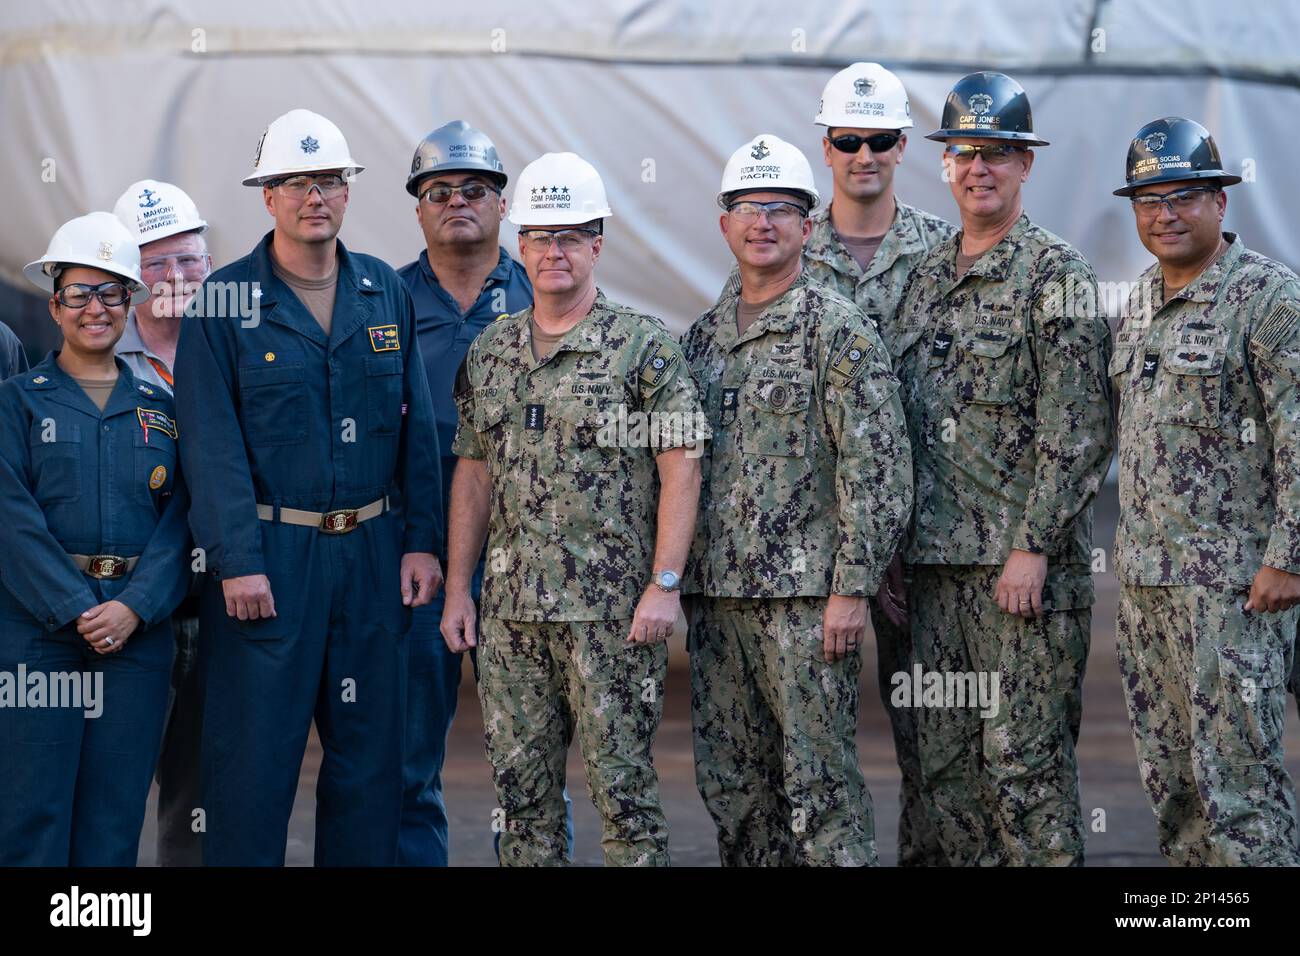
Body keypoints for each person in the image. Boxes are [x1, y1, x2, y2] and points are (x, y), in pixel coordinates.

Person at [174, 108, 443, 866]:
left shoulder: (382, 291)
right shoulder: (223, 303)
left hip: (371, 556)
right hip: (272, 563)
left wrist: (421, 541)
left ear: (349, 191)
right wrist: (236, 559)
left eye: (328, 180)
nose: (313, 196)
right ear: (267, 196)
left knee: (369, 767)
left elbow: (415, 429)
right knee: (252, 771)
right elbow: (210, 443)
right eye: (296, 182)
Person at [441, 152, 707, 866]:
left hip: (610, 615)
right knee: (521, 799)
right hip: (511, 616)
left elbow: (681, 464)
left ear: (597, 244)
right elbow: (472, 472)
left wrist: (665, 583)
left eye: (570, 236)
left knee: (623, 796)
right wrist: (458, 588)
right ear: (519, 245)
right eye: (539, 236)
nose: (553, 251)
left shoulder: (643, 346)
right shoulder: (492, 351)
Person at [892, 72, 1113, 865]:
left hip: (1019, 580)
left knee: (1026, 771)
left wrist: (1034, 544)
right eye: (964, 152)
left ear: (1026, 165)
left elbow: (1080, 426)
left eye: (998, 152)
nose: (979, 167)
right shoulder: (920, 278)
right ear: (946, 165)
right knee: (941, 776)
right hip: (931, 577)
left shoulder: (1058, 277)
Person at [682, 134, 913, 866]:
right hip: (719, 604)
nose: (763, 223)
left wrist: (852, 589)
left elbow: (878, 470)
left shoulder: (838, 332)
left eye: (781, 209)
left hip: (808, 607)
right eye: (747, 208)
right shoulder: (700, 342)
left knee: (821, 791)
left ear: (808, 228)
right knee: (736, 790)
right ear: (723, 224)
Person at [1110, 117, 1300, 866]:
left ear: (1221, 202)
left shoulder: (1270, 300)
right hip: (1149, 591)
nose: (1165, 213)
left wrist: (1290, 555)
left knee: (1240, 788)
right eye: (1149, 199)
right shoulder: (1136, 305)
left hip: (1236, 593)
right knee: (1177, 791)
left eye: (1184, 195)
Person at [396, 121, 571, 865]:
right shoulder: (384, 299)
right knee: (407, 760)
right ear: (419, 210)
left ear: (505, 207)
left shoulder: (549, 290)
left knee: (531, 764)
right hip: (419, 557)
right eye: (439, 191)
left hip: (527, 558)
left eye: (476, 189)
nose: (457, 202)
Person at [0, 212, 190, 865]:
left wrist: (135, 606)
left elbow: (183, 522)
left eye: (112, 293)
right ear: (54, 305)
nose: (95, 308)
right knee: (33, 815)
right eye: (79, 293)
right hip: (38, 633)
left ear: (131, 302)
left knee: (113, 821)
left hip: (136, 640)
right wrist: (76, 606)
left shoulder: (164, 408)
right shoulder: (18, 404)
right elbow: (9, 517)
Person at [809, 61, 955, 866]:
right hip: (805, 551)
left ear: (905, 146)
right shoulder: (785, 250)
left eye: (882, 140)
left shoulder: (947, 253)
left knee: (936, 752)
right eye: (848, 140)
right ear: (826, 145)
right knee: (811, 755)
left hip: (928, 544)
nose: (865, 154)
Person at [113, 178, 212, 866]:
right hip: (122, 612)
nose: (174, 277)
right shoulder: (84, 357)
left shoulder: (241, 349)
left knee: (198, 797)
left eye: (188, 259)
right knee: (110, 789)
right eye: (155, 263)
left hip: (218, 610)